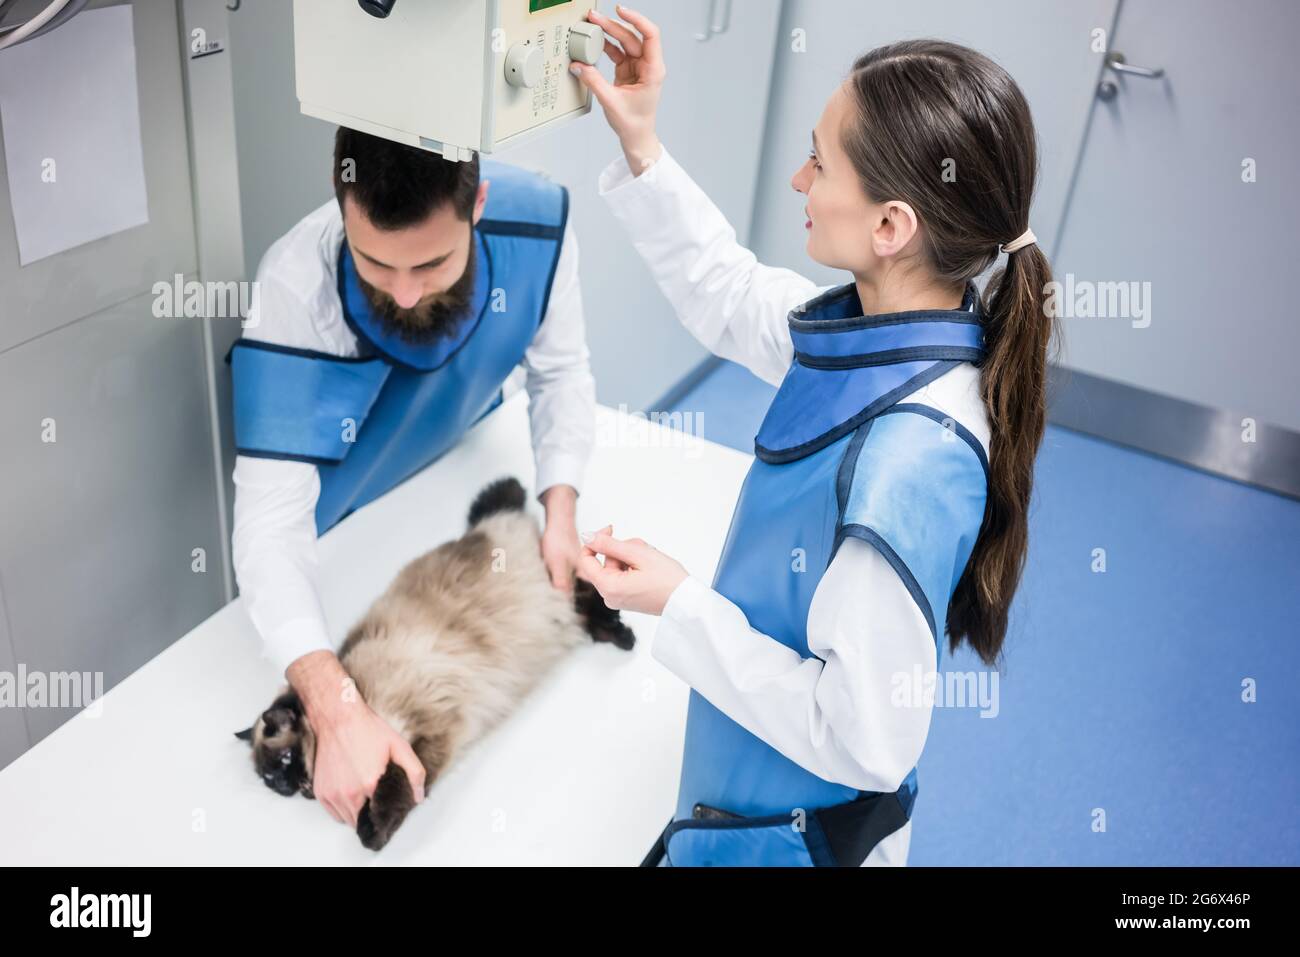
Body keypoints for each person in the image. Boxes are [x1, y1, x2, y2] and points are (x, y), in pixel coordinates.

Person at [570, 5, 1057, 866]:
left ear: (889, 227)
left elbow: (868, 741)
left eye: (819, 161)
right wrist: (641, 142)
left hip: (792, 841)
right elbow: (728, 292)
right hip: (752, 798)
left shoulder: (907, 462)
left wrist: (678, 602)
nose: (799, 180)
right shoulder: (899, 336)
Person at [227, 127, 596, 830]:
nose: (401, 290)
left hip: (456, 477)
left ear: (477, 204)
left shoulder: (540, 225)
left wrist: (562, 506)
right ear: (342, 211)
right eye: (374, 263)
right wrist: (334, 711)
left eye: (430, 264)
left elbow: (562, 372)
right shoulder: (293, 282)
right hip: (339, 540)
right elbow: (271, 525)